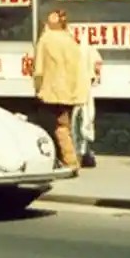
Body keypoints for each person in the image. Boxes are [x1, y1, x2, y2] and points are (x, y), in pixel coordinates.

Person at [33, 10, 83, 171]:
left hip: (50, 91)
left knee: (48, 127)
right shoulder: (71, 40)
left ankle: (60, 159)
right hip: (70, 91)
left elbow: (39, 69)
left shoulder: (45, 40)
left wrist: (37, 89)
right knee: (63, 125)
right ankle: (70, 159)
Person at [72, 42, 101, 168]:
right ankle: (83, 153)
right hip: (85, 89)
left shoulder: (72, 46)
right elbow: (97, 66)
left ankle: (78, 154)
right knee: (85, 121)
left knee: (75, 124)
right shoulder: (89, 48)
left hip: (72, 90)